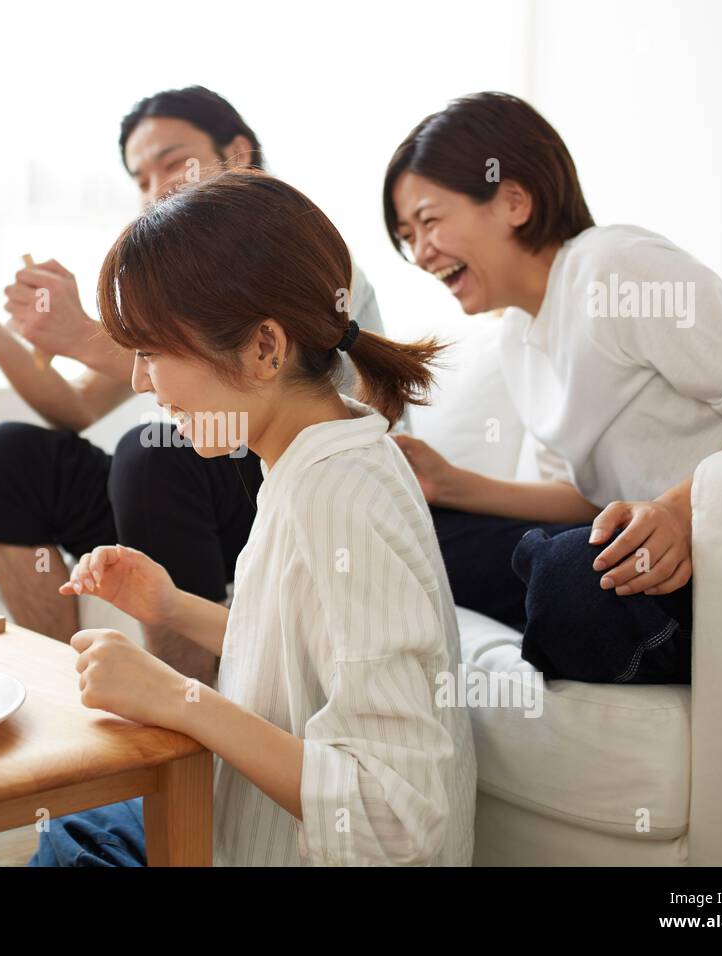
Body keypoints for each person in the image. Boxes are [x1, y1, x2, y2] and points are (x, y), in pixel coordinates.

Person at [28, 169, 475, 866]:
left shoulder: (337, 498)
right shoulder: (318, 456)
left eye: (152, 353)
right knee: (77, 831)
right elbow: (312, 653)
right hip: (246, 833)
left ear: (265, 347)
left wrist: (178, 697)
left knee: (67, 844)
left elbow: (393, 819)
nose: (141, 381)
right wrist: (172, 606)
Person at [0, 86, 385, 684]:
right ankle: (62, 690)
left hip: (252, 482)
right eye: (140, 177)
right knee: (4, 457)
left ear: (239, 154)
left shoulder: (303, 269)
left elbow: (300, 407)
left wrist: (83, 332)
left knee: (152, 453)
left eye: (173, 161)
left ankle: (181, 725)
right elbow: (78, 404)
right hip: (167, 496)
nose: (156, 186)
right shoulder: (166, 284)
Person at [383, 92, 722, 683]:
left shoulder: (614, 268)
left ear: (513, 200)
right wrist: (447, 482)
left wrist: (682, 511)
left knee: (572, 576)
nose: (420, 253)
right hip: (633, 556)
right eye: (406, 235)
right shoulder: (519, 337)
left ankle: (558, 597)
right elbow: (581, 498)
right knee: (418, 531)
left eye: (429, 221)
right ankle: (555, 597)